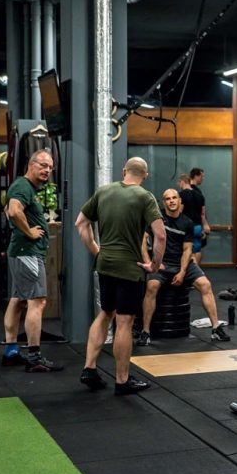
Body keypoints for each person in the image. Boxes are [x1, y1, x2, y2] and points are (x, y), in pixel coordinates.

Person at [75, 157, 166, 396]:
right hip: (129, 267)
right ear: (144, 176)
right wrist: (154, 264)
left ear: (124, 171)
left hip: (105, 265)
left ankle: (89, 368)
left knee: (106, 313)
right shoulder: (145, 197)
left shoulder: (104, 191)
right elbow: (161, 235)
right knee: (124, 322)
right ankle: (122, 380)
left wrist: (97, 251)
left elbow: (80, 223)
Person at [137, 188, 230, 346]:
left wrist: (182, 272)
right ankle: (145, 332)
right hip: (161, 263)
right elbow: (143, 242)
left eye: (174, 198)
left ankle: (216, 328)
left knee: (206, 285)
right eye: (168, 199)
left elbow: (187, 250)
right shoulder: (156, 218)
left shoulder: (187, 222)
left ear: (180, 201)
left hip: (181, 262)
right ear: (164, 202)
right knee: (151, 286)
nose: (172, 201)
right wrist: (150, 264)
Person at [1, 149, 62, 372]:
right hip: (27, 252)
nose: (47, 170)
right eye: (43, 165)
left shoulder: (27, 188)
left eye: (50, 167)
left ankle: (11, 352)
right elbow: (14, 211)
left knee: (18, 299)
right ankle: (35, 357)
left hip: (23, 252)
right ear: (31, 164)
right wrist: (29, 233)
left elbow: (11, 210)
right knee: (38, 301)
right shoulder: (22, 186)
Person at [178, 168, 211, 265]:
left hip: (186, 227)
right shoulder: (199, 195)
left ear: (182, 182)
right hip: (197, 227)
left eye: (179, 183)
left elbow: (179, 212)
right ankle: (197, 271)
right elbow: (203, 214)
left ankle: (189, 271)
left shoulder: (181, 195)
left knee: (187, 250)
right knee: (197, 250)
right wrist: (205, 225)